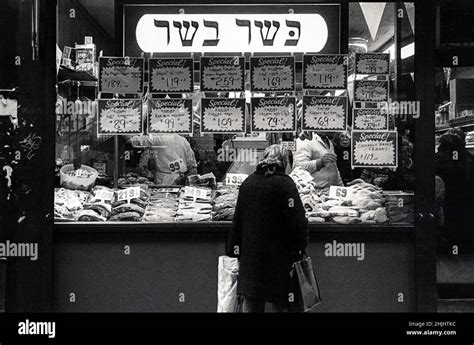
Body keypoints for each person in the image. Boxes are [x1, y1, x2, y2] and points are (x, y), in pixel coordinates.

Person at [227, 144, 308, 313]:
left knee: (251, 302)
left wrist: (233, 251)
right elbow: (298, 222)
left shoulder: (248, 183)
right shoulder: (286, 184)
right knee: (281, 303)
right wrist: (299, 248)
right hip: (279, 260)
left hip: (251, 260)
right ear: (284, 161)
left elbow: (238, 222)